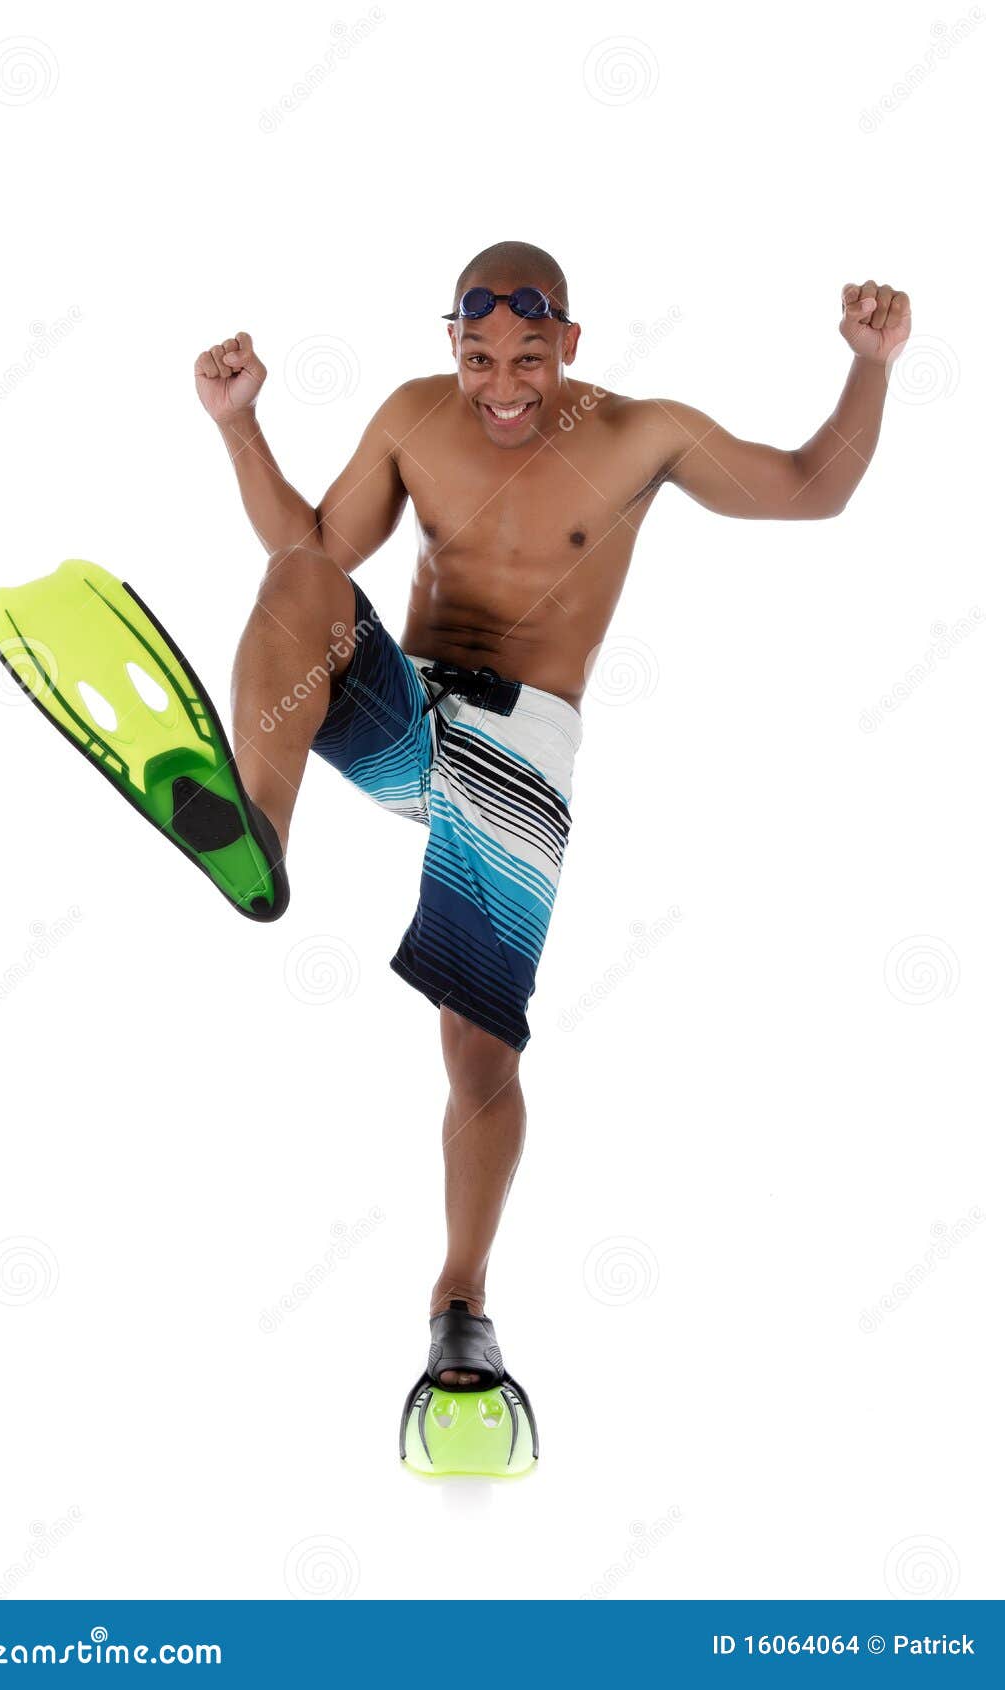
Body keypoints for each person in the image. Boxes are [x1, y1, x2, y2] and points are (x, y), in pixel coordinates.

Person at [194, 240, 910, 1391]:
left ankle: (459, 1302)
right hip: (412, 714)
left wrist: (870, 364)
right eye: (479, 357)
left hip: (521, 751)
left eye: (527, 357)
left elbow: (811, 489)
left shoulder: (639, 435)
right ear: (452, 346)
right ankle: (253, 834)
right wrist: (238, 423)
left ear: (569, 344)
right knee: (294, 581)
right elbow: (316, 549)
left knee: (475, 1044)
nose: (501, 386)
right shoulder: (413, 418)